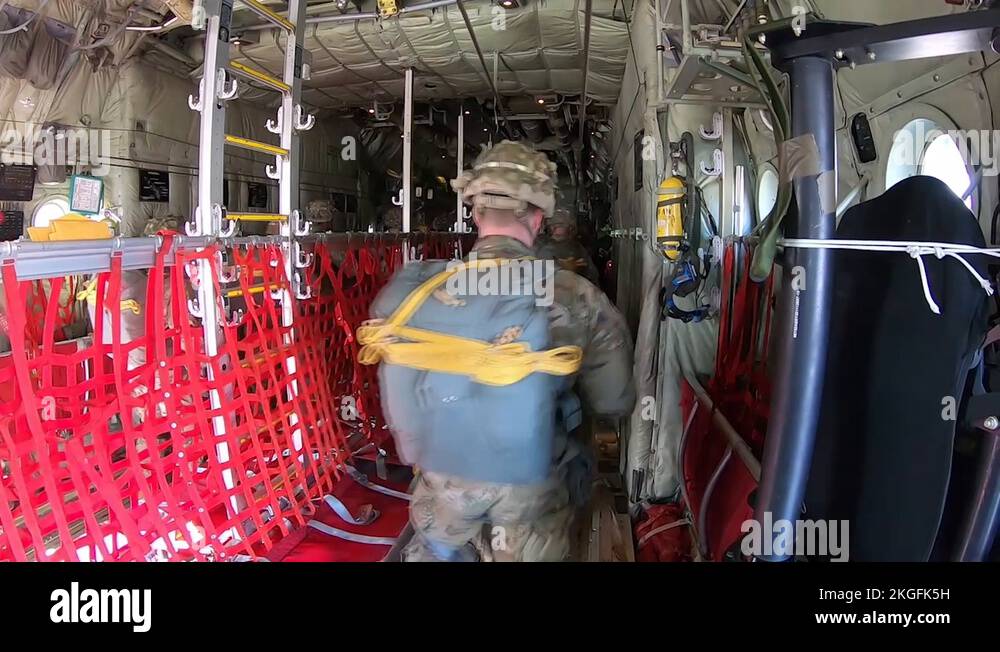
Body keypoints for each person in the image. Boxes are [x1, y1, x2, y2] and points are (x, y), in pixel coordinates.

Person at [361, 140, 634, 561]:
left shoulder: (421, 292)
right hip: (532, 512)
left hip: (441, 507)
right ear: (539, 217)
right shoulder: (574, 295)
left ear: (474, 212)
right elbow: (614, 399)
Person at [534, 208, 601, 285]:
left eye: (561, 225)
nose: (556, 229)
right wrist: (562, 268)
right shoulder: (542, 248)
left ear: (571, 228)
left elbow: (592, 277)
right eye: (553, 225)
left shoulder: (578, 249)